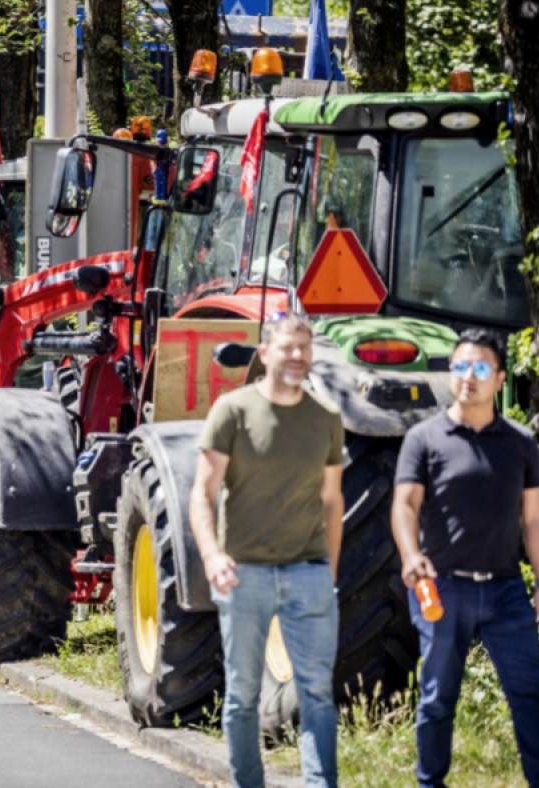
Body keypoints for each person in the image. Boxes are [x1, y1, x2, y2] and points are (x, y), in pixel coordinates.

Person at [391, 328, 539, 788]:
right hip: (443, 587)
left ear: (500, 378)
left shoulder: (521, 443)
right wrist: (410, 554)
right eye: (461, 367)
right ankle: (431, 783)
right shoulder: (424, 438)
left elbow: (535, 518)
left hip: (506, 590)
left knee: (530, 692)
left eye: (480, 368)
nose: (468, 377)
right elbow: (405, 505)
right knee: (437, 698)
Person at [190, 315, 344, 788]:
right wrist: (213, 556)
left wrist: (328, 572)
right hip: (245, 575)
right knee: (242, 695)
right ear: (264, 353)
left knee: (317, 693)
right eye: (287, 347)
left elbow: (332, 501)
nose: (297, 355)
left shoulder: (326, 419)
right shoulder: (232, 412)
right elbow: (202, 493)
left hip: (308, 574)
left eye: (304, 347)